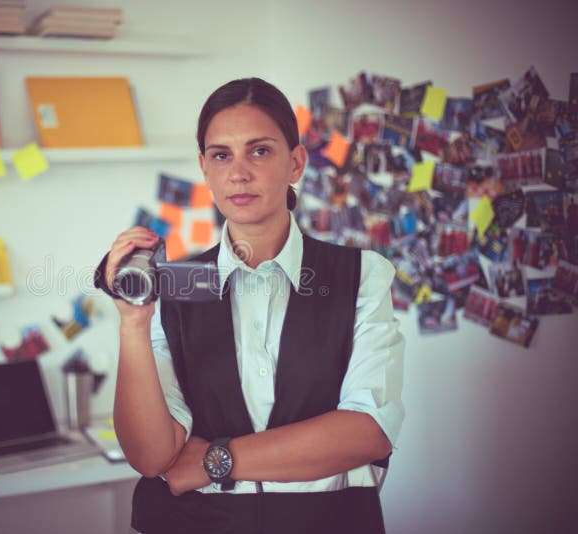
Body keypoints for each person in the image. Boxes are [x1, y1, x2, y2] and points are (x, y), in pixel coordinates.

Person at [94, 77, 405, 534]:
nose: (238, 173)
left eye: (259, 151)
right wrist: (133, 323)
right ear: (205, 168)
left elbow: (368, 432)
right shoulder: (171, 286)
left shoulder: (362, 275)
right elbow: (151, 456)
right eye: (221, 155)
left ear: (295, 162)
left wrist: (215, 460)